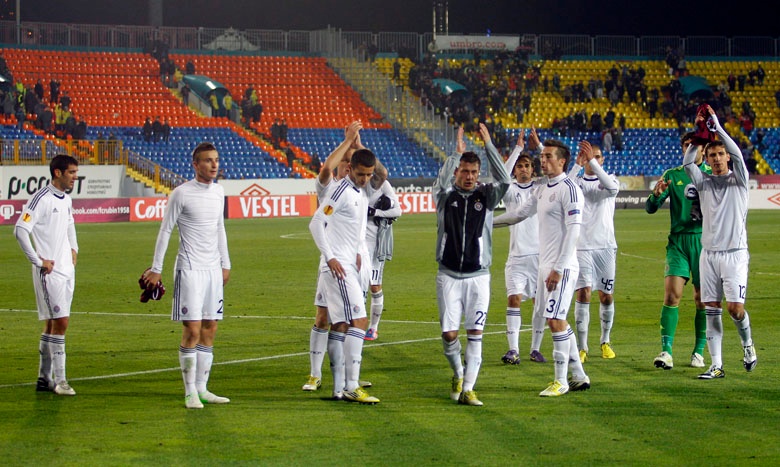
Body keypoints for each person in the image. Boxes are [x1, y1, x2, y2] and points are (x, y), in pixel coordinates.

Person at [494, 139, 590, 397]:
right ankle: (579, 374)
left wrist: (558, 268)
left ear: (562, 162)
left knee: (555, 319)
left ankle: (561, 381)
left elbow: (573, 232)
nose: (543, 160)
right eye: (543, 156)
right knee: (557, 319)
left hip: (562, 266)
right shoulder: (542, 189)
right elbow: (518, 214)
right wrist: (486, 224)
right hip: (544, 265)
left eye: (548, 156)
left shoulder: (570, 189)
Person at [142, 142, 232, 409]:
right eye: (207, 160)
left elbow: (220, 229)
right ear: (195, 164)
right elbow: (165, 231)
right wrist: (156, 268)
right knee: (192, 330)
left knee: (210, 328)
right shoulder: (181, 193)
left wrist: (225, 263)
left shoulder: (219, 191)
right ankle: (189, 391)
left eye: (216, 159)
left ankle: (203, 389)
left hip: (213, 269)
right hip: (190, 268)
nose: (214, 164)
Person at [434, 124, 510, 406]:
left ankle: (469, 388)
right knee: (449, 333)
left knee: (475, 332)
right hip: (448, 276)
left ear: (479, 174)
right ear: (458, 172)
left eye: (473, 173)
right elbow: (440, 183)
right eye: (464, 172)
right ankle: (458, 373)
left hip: (479, 276)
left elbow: (506, 182)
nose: (469, 177)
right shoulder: (445, 198)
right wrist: (456, 154)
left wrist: (489, 144)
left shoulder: (486, 197)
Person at [684, 105, 756, 379]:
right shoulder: (703, 182)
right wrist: (700, 138)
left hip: (735, 254)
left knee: (735, 309)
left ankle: (747, 345)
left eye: (719, 154)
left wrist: (717, 128)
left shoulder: (739, 179)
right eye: (711, 155)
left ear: (727, 156)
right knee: (710, 308)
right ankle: (716, 365)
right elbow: (688, 164)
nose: (716, 158)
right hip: (709, 254)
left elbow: (738, 154)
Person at [309, 148, 381, 404]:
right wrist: (331, 257)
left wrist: (356, 252)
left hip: (350, 264)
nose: (364, 179)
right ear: (350, 169)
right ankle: (352, 385)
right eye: (361, 174)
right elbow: (316, 222)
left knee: (340, 326)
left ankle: (339, 388)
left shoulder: (359, 193)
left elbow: (352, 229)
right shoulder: (340, 191)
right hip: (338, 269)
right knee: (359, 322)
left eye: (368, 175)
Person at [14, 154, 80, 396]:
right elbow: (21, 229)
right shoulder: (41, 198)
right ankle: (61, 381)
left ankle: (44, 379)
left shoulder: (66, 199)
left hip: (66, 269)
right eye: (71, 172)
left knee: (53, 323)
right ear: (58, 173)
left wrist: (74, 248)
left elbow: (70, 223)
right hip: (49, 272)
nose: (75, 176)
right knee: (61, 322)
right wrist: (38, 261)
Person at [645, 131, 711, 370]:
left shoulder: (712, 174)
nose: (690, 149)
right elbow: (651, 209)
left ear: (704, 149)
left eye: (695, 146)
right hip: (678, 243)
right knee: (672, 296)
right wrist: (654, 195)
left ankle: (699, 351)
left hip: (705, 243)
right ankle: (666, 351)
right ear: (682, 149)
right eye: (686, 145)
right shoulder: (672, 175)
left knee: (702, 300)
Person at [497, 128, 546, 365]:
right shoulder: (510, 191)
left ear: (533, 169)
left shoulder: (542, 188)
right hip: (516, 256)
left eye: (527, 165)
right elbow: (500, 178)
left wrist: (539, 146)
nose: (523, 169)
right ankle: (513, 350)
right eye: (519, 166)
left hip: (540, 256)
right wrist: (516, 150)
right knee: (513, 299)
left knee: (540, 304)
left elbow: (559, 172)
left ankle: (535, 349)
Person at [567, 141, 619, 362]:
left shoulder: (610, 180)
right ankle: (582, 346)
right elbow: (564, 188)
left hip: (606, 247)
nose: (592, 161)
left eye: (597, 157)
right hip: (582, 247)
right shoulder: (576, 182)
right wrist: (577, 166)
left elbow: (613, 189)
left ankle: (605, 341)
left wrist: (592, 163)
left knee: (606, 296)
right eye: (589, 157)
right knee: (583, 293)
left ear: (602, 160)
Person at [364, 176, 402, 341]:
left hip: (375, 240)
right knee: (355, 283)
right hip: (354, 240)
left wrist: (375, 212)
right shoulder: (353, 184)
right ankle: (351, 324)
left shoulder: (383, 185)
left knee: (374, 285)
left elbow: (398, 211)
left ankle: (373, 327)